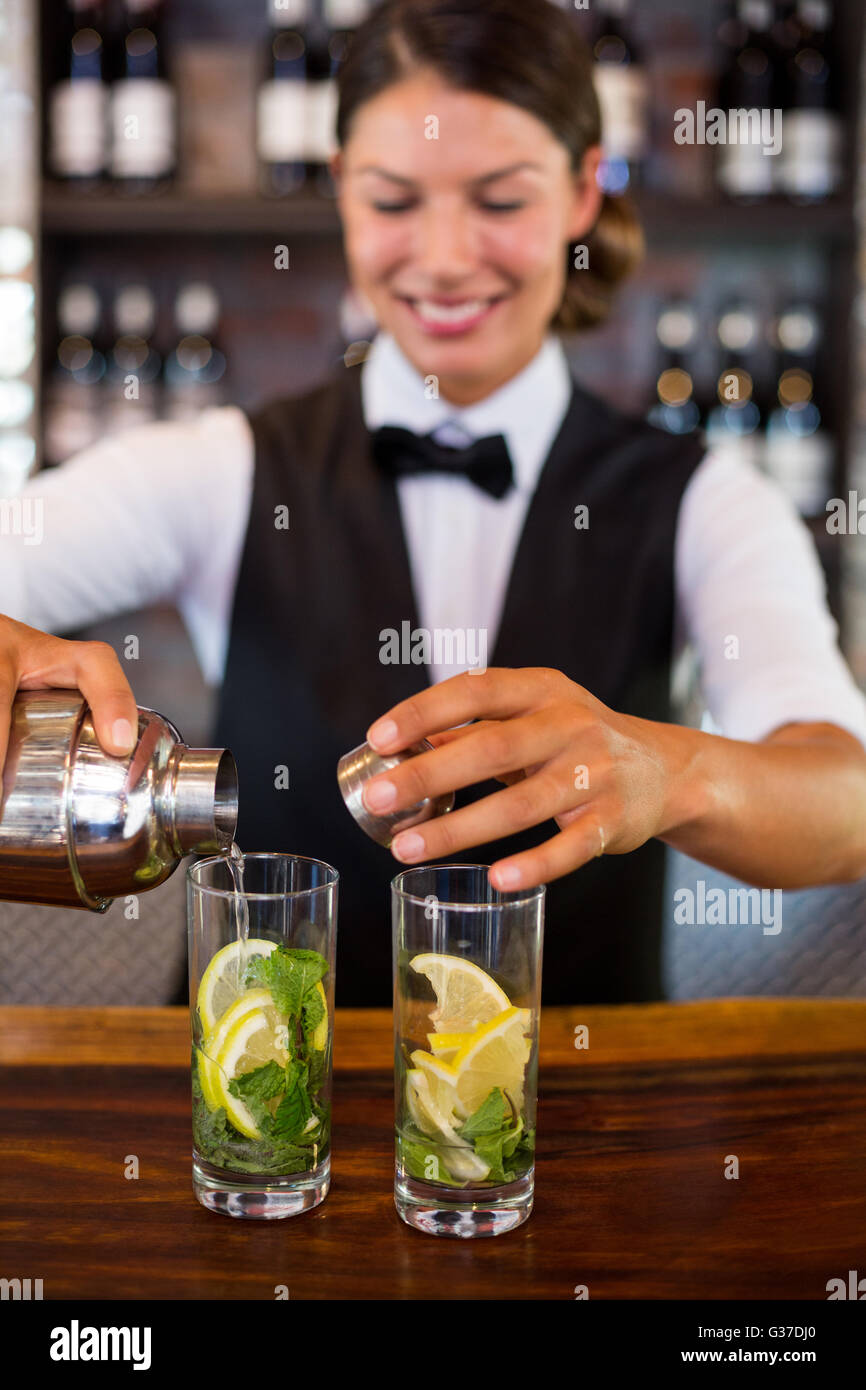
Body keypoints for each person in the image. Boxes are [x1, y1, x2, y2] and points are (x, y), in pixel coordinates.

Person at [2, 0, 866, 1006]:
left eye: (499, 200)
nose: (446, 257)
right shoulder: (220, 469)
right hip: (256, 1121)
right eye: (393, 200)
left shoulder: (704, 500)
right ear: (339, 193)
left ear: (584, 191)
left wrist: (667, 773)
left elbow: (844, 806)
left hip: (571, 1130)